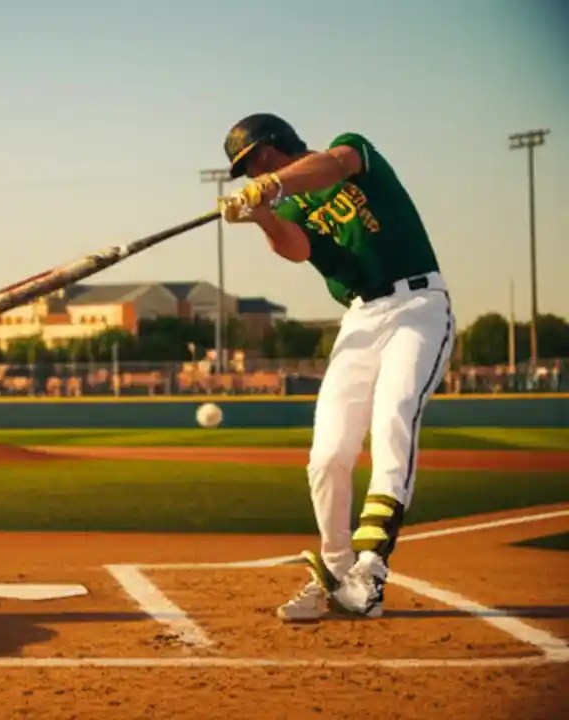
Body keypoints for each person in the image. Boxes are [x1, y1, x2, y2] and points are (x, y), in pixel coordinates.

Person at [218, 114, 454, 621]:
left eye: (254, 163)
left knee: (394, 414)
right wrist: (262, 216)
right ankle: (335, 568)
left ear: (270, 148)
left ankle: (369, 569)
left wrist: (270, 187)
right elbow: (297, 249)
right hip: (360, 317)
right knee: (327, 454)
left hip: (418, 306)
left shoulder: (349, 151)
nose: (254, 174)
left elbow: (331, 167)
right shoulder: (292, 204)